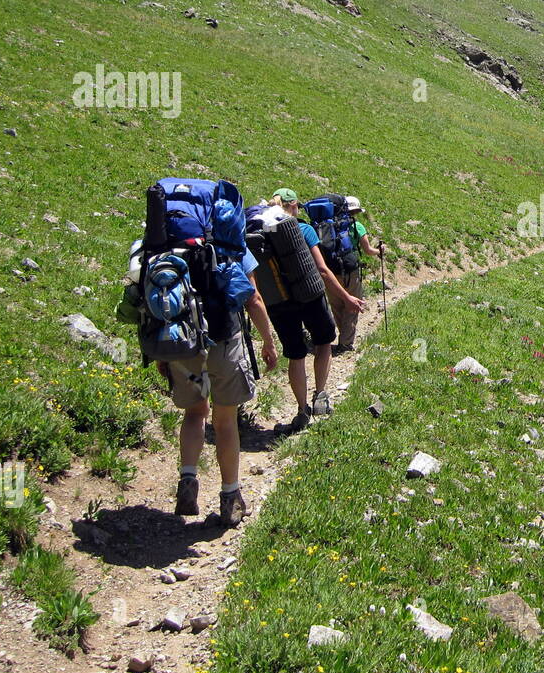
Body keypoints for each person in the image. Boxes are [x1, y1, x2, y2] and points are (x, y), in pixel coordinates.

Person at [163, 252, 278, 526]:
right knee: (225, 421)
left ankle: (188, 481)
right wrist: (268, 340)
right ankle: (230, 499)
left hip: (183, 344)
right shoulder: (231, 242)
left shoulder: (171, 244)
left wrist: (162, 355)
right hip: (225, 341)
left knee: (194, 412)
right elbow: (253, 298)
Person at [270, 188, 363, 430]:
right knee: (323, 343)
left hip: (279, 302)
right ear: (293, 206)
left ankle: (301, 410)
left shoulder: (264, 230)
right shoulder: (305, 229)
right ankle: (320, 395)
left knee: (295, 355)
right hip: (309, 296)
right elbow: (322, 270)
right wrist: (347, 297)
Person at [328, 195, 385, 354]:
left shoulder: (329, 226)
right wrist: (379, 250)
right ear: (357, 211)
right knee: (352, 305)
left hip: (331, 270)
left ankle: (343, 335)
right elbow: (367, 250)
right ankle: (346, 343)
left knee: (337, 304)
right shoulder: (357, 226)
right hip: (351, 269)